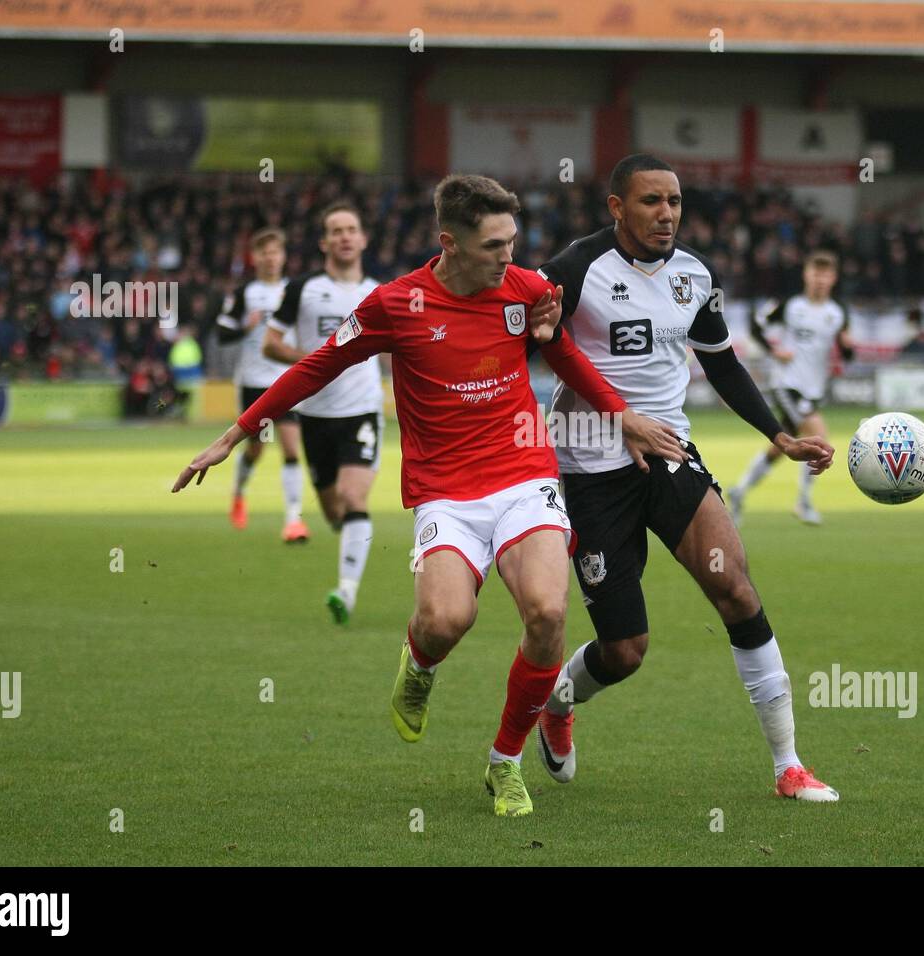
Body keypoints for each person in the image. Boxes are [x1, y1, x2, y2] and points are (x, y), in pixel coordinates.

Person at [172, 174, 684, 817]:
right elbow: (316, 364)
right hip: (445, 490)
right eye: (495, 245)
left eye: (513, 241)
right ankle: (418, 665)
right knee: (446, 621)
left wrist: (621, 415)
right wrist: (237, 432)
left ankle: (504, 763)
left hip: (525, 474)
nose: (510, 257)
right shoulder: (397, 304)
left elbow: (566, 358)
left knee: (549, 615)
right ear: (450, 243)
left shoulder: (524, 289)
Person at [534, 154, 841, 803]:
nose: (666, 213)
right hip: (590, 466)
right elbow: (525, 336)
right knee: (625, 650)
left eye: (673, 201)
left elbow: (723, 364)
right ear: (617, 207)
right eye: (650, 201)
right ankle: (557, 702)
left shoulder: (695, 274)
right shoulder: (574, 269)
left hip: (671, 454)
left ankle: (789, 765)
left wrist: (778, 436)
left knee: (734, 586)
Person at [258, 206, 384, 623]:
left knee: (353, 497)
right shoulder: (302, 289)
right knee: (334, 511)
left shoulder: (381, 293)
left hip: (362, 411)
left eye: (352, 229)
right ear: (324, 243)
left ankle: (345, 593)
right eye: (336, 231)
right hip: (313, 414)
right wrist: (315, 359)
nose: (345, 237)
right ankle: (349, 539)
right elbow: (270, 344)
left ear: (363, 239)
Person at [728, 249, 851, 526]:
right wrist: (774, 351)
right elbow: (756, 324)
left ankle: (739, 491)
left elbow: (847, 351)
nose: (820, 279)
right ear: (806, 275)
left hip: (814, 389)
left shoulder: (838, 312)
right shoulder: (790, 305)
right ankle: (804, 502)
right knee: (818, 436)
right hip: (787, 385)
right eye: (815, 273)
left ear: (833, 278)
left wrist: (846, 349)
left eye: (826, 274)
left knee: (781, 447)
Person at [214, 228, 308, 544]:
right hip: (254, 382)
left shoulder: (295, 291)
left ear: (283, 257)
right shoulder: (245, 294)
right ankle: (239, 492)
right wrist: (245, 327)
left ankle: (294, 520)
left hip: (288, 380)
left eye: (275, 252)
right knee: (256, 449)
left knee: (292, 449)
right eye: (264, 253)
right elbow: (222, 333)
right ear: (255, 258)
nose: (270, 258)